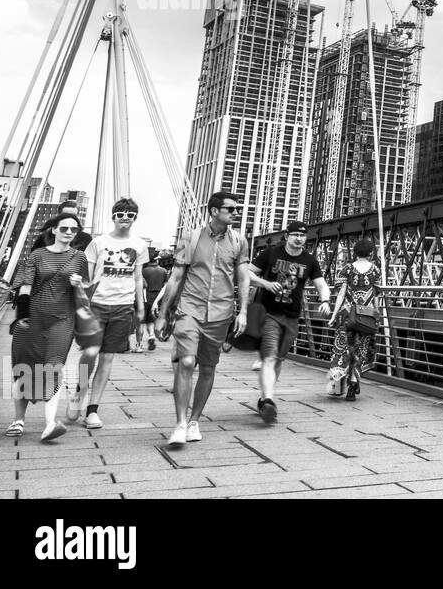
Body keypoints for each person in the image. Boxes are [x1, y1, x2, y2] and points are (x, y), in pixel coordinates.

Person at [153, 191, 249, 447]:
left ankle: (194, 420)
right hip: (190, 309)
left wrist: (243, 312)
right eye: (230, 209)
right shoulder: (191, 238)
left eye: (236, 209)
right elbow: (175, 277)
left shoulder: (239, 241)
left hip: (221, 313)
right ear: (214, 211)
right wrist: (163, 315)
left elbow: (243, 278)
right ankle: (180, 424)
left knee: (208, 367)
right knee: (185, 362)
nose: (235, 213)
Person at [4, 214, 90, 442]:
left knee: (54, 368)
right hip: (31, 319)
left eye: (74, 229)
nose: (70, 232)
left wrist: (79, 284)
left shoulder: (79, 257)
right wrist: (22, 313)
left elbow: (86, 291)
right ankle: (18, 420)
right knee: (24, 369)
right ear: (53, 229)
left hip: (61, 320)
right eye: (65, 228)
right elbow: (25, 285)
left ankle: (50, 424)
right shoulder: (37, 255)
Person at [71, 198, 147, 428]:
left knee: (108, 357)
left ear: (135, 218)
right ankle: (78, 392)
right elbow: (88, 275)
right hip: (97, 304)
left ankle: (93, 409)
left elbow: (137, 277)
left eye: (130, 214)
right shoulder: (98, 242)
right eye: (121, 213)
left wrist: (140, 308)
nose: (125, 217)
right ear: (113, 216)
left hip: (123, 307)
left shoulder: (139, 245)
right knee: (90, 353)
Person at [244, 220, 329, 424]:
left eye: (302, 235)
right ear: (287, 236)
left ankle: (266, 396)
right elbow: (245, 272)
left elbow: (320, 283)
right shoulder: (271, 254)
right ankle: (269, 401)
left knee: (279, 359)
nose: (299, 239)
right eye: (295, 235)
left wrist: (325, 300)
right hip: (269, 313)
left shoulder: (310, 260)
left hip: (292, 316)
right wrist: (265, 283)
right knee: (270, 357)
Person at [325, 239, 381, 402]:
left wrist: (334, 315)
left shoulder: (347, 269)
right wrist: (377, 316)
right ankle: (352, 386)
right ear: (371, 253)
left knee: (343, 349)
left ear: (355, 252)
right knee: (359, 351)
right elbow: (376, 296)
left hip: (347, 315)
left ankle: (337, 382)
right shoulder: (375, 270)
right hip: (366, 318)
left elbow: (341, 294)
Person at [138, 251, 169, 352]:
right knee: (151, 320)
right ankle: (151, 335)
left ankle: (138, 345)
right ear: (156, 259)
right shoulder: (163, 271)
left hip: (143, 297)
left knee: (141, 322)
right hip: (157, 298)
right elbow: (166, 285)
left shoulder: (142, 271)